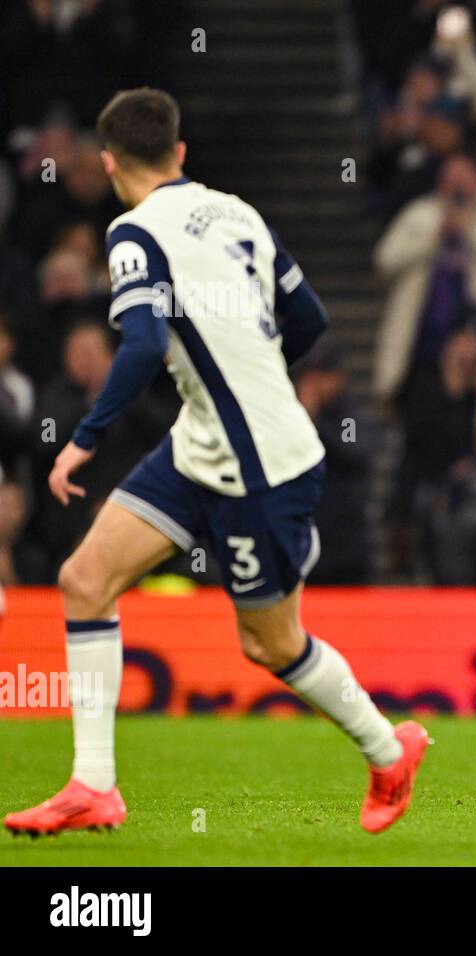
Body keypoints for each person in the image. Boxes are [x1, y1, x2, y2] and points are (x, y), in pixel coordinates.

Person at [4, 89, 427, 838]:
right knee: (84, 580)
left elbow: (137, 343)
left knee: (268, 643)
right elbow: (311, 320)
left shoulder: (132, 232)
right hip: (204, 443)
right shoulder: (237, 211)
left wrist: (86, 438)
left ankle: (388, 748)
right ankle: (92, 787)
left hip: (264, 465)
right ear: (181, 153)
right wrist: (252, 375)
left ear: (108, 164)